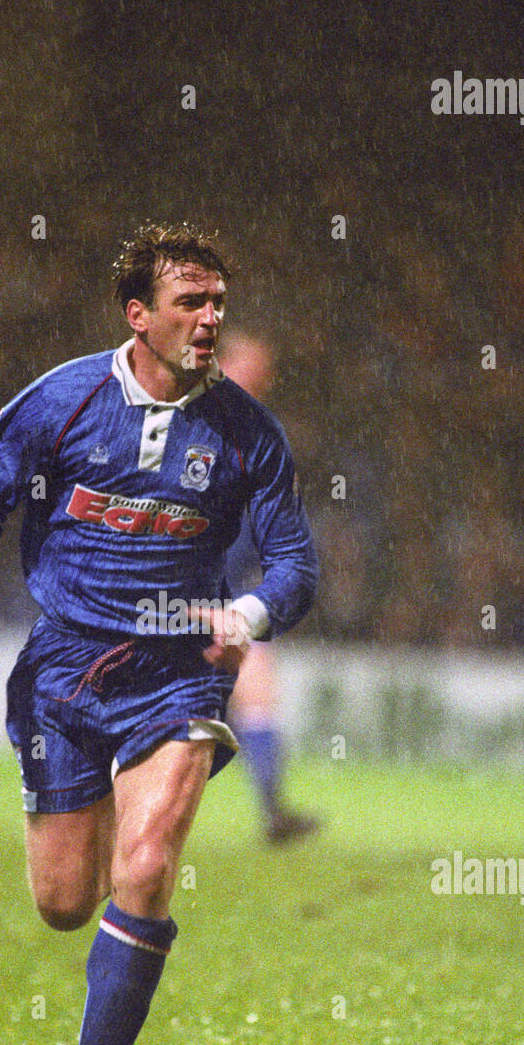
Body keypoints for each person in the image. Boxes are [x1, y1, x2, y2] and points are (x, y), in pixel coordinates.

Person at [0, 222, 318, 1045]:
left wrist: (248, 615)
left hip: (178, 672)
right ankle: (103, 892)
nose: (211, 317)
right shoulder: (62, 401)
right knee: (67, 903)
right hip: (63, 669)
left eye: (219, 302)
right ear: (139, 316)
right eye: (192, 302)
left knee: (146, 866)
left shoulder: (248, 433)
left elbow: (294, 564)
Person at [217, 331, 321, 844]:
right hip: (167, 585)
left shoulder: (261, 438)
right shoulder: (190, 421)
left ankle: (273, 812)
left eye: (264, 374)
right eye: (249, 368)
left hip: (229, 591)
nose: (259, 382)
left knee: (257, 691)